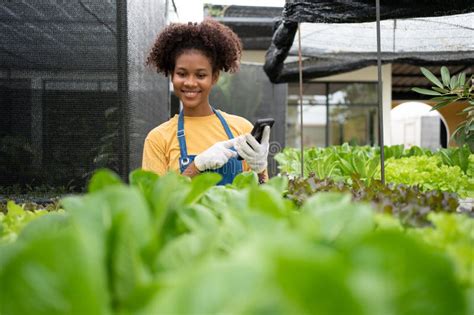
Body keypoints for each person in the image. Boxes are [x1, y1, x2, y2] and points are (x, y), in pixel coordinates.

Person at [142, 18, 270, 185]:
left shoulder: (241, 129)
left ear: (214, 77)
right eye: (182, 73)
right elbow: (153, 203)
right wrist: (196, 167)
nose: (190, 82)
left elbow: (263, 196)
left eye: (200, 75)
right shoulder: (158, 139)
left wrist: (260, 169)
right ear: (171, 75)